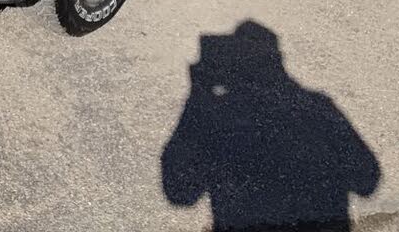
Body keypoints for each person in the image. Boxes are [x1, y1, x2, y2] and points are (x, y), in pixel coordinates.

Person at [162, 21, 381, 231]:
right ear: (276, 59)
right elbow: (367, 179)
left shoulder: (217, 116)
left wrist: (197, 98)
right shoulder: (318, 107)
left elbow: (180, 194)